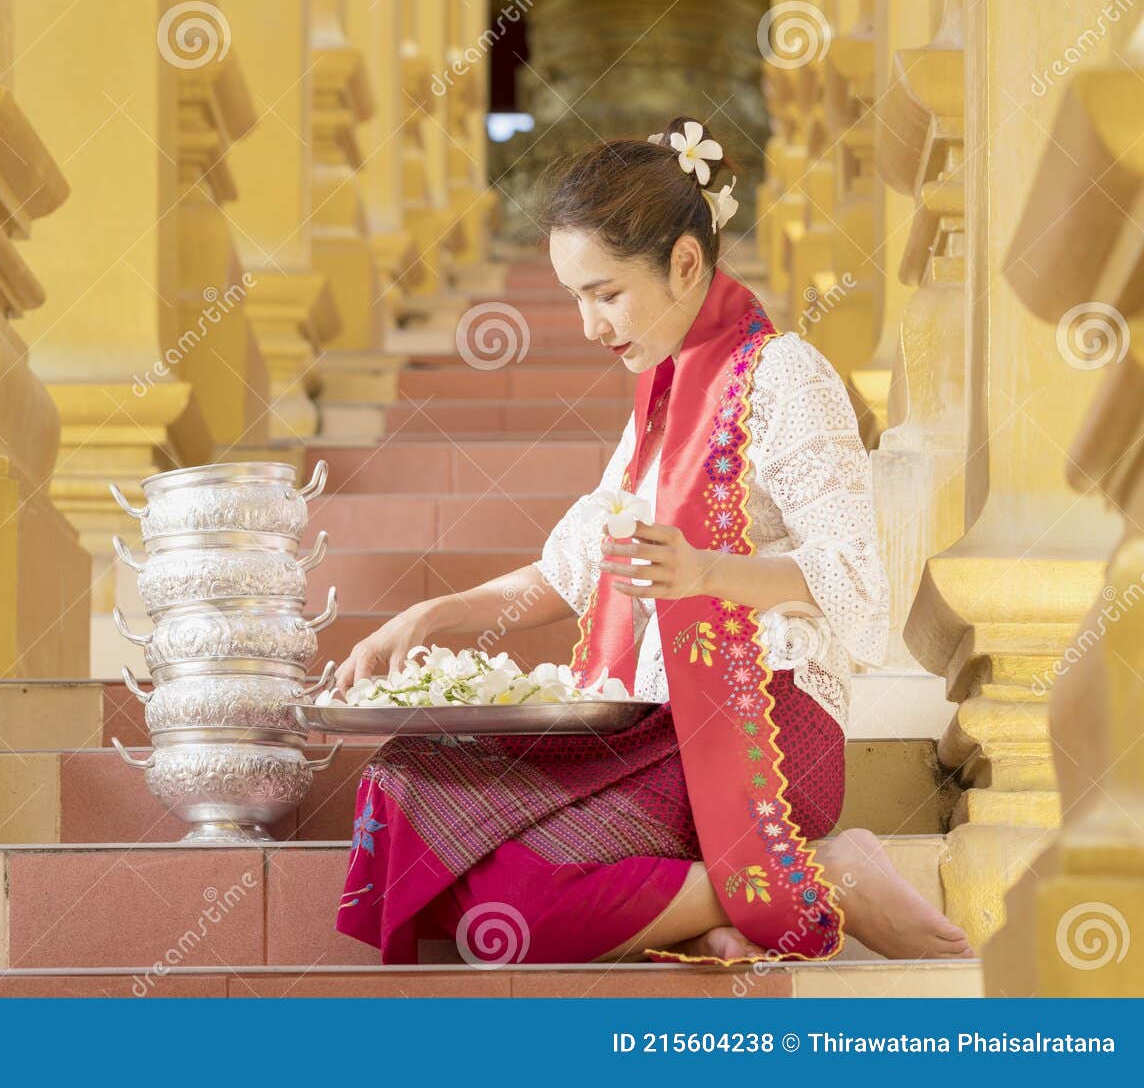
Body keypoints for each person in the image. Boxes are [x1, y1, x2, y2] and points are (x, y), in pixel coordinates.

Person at [331, 118, 973, 966]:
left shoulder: (786, 376)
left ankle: (822, 874)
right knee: (410, 784)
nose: (589, 324)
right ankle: (748, 898)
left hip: (761, 719)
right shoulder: (660, 407)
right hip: (652, 724)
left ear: (685, 262)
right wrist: (432, 615)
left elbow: (854, 578)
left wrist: (706, 571)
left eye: (605, 293)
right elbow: (573, 570)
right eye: (576, 298)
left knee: (513, 901)